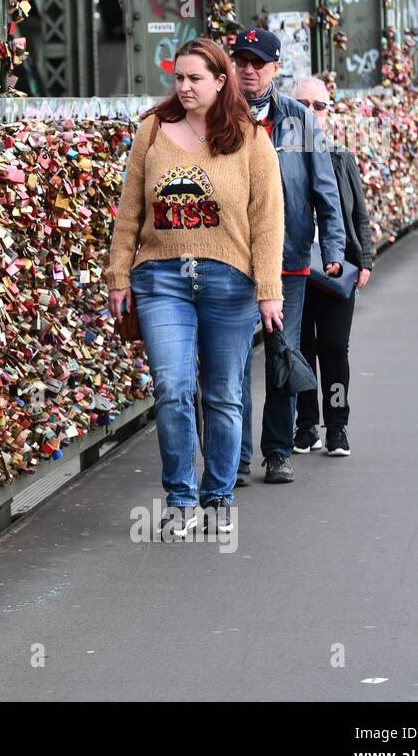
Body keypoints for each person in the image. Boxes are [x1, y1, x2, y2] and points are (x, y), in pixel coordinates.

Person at [107, 38, 284, 539]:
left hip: (229, 280)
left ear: (221, 82)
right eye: (179, 78)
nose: (184, 87)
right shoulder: (152, 130)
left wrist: (269, 289)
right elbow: (129, 211)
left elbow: (268, 219)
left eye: (195, 79)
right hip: (161, 277)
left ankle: (218, 495)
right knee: (172, 387)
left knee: (224, 394)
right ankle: (181, 497)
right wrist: (120, 274)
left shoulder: (249, 137)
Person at [233, 27, 347, 486]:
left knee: (283, 355)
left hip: (289, 261)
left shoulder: (301, 119)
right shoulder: (218, 116)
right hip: (234, 259)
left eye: (258, 62)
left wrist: (334, 248)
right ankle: (235, 459)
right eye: (241, 60)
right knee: (233, 361)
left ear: (275, 68)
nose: (248, 69)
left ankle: (277, 452)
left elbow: (326, 191)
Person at [290, 77, 373, 458]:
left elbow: (358, 213)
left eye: (318, 105)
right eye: (301, 103)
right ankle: (306, 426)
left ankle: (337, 426)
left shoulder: (341, 157)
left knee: (335, 347)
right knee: (301, 349)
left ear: (328, 110)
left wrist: (365, 260)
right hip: (293, 268)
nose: (310, 112)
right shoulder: (275, 156)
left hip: (337, 269)